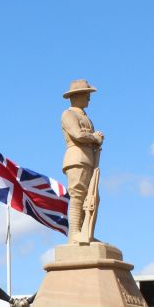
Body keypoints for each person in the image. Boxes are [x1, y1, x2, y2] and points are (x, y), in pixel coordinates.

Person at [61, 79, 103, 244]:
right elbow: (78, 134)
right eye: (86, 94)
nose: (89, 98)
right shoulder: (68, 114)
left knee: (91, 198)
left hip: (89, 160)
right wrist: (95, 138)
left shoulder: (85, 116)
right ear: (77, 96)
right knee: (78, 196)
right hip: (76, 159)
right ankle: (75, 233)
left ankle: (86, 232)